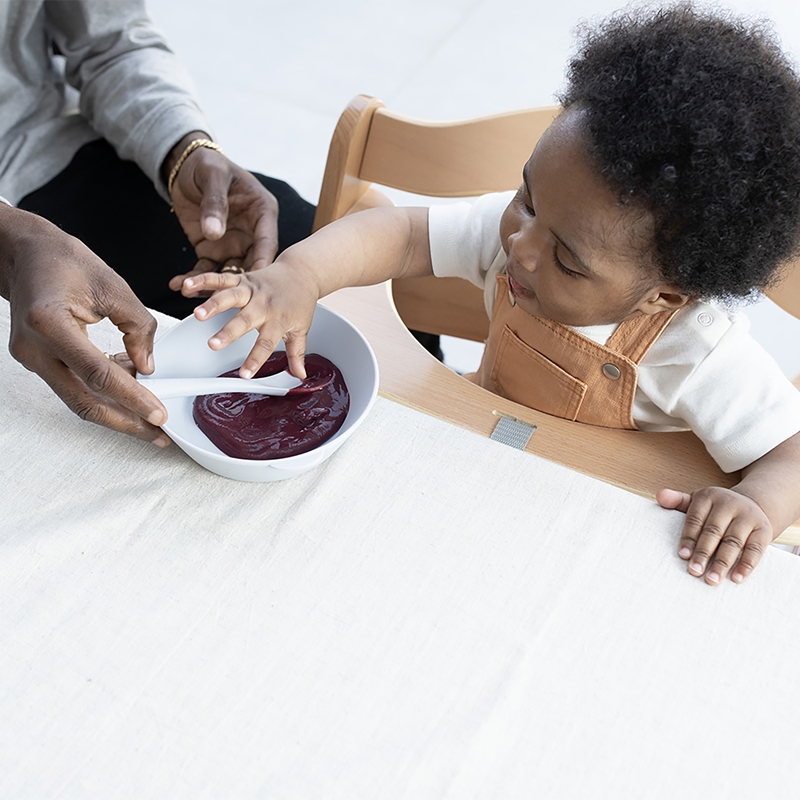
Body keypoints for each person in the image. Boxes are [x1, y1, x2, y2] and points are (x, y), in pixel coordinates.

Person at [180, 4, 800, 586]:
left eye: (565, 260)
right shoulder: (528, 233)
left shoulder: (697, 352)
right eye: (526, 198)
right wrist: (302, 275)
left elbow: (792, 451)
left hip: (585, 536)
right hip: (475, 461)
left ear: (661, 299)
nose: (520, 247)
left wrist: (756, 504)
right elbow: (397, 234)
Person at [0, 0, 315, 446]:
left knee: (298, 241)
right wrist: (6, 240)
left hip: (35, 145)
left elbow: (111, 41)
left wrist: (182, 148)